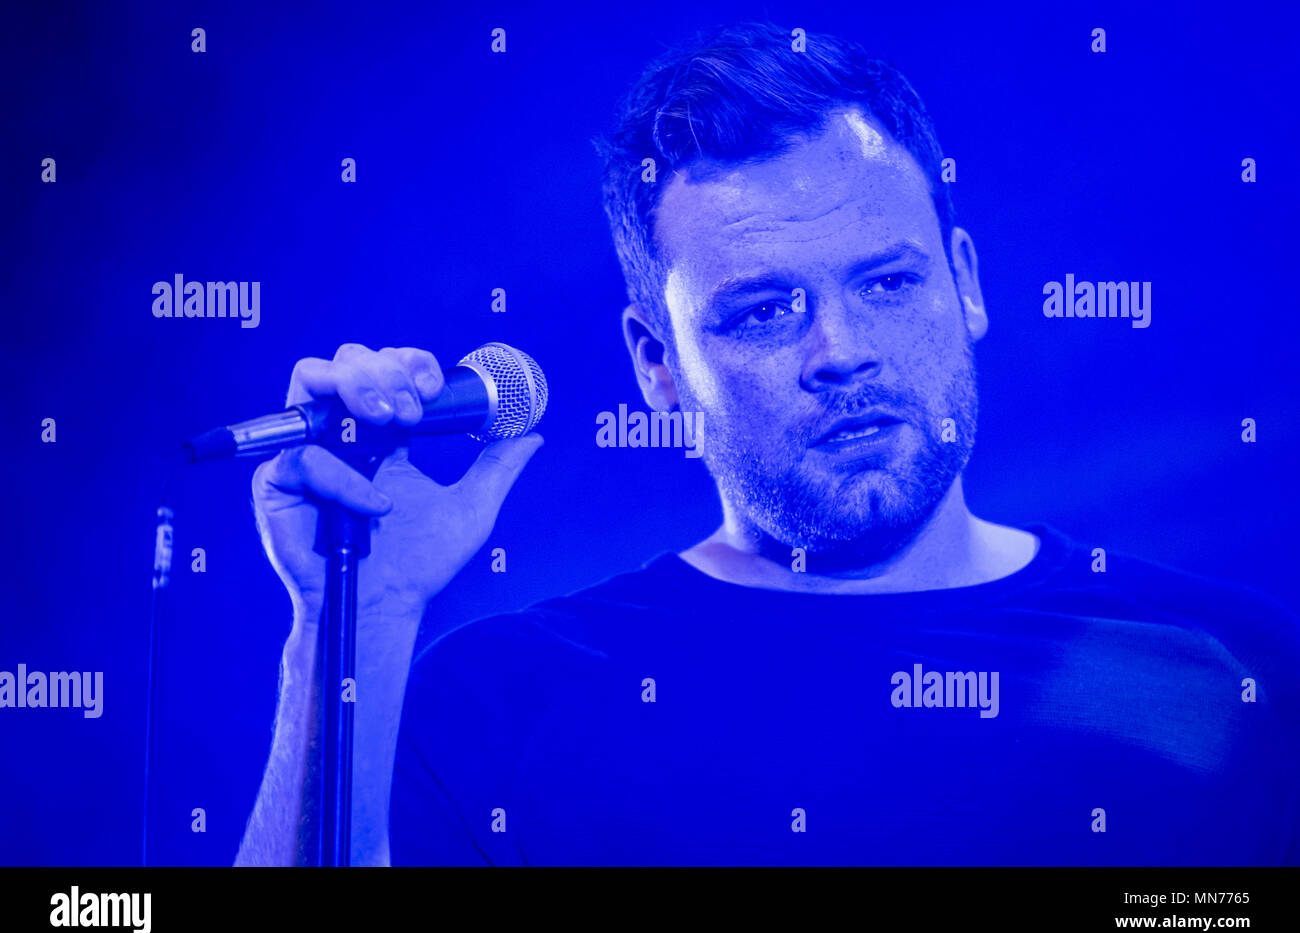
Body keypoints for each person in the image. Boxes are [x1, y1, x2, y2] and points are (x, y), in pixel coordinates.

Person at [235, 22, 1299, 865]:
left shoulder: (1234, 666)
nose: (841, 353)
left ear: (966, 283)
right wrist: (354, 618)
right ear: (657, 367)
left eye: (887, 282)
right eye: (763, 311)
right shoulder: (502, 702)